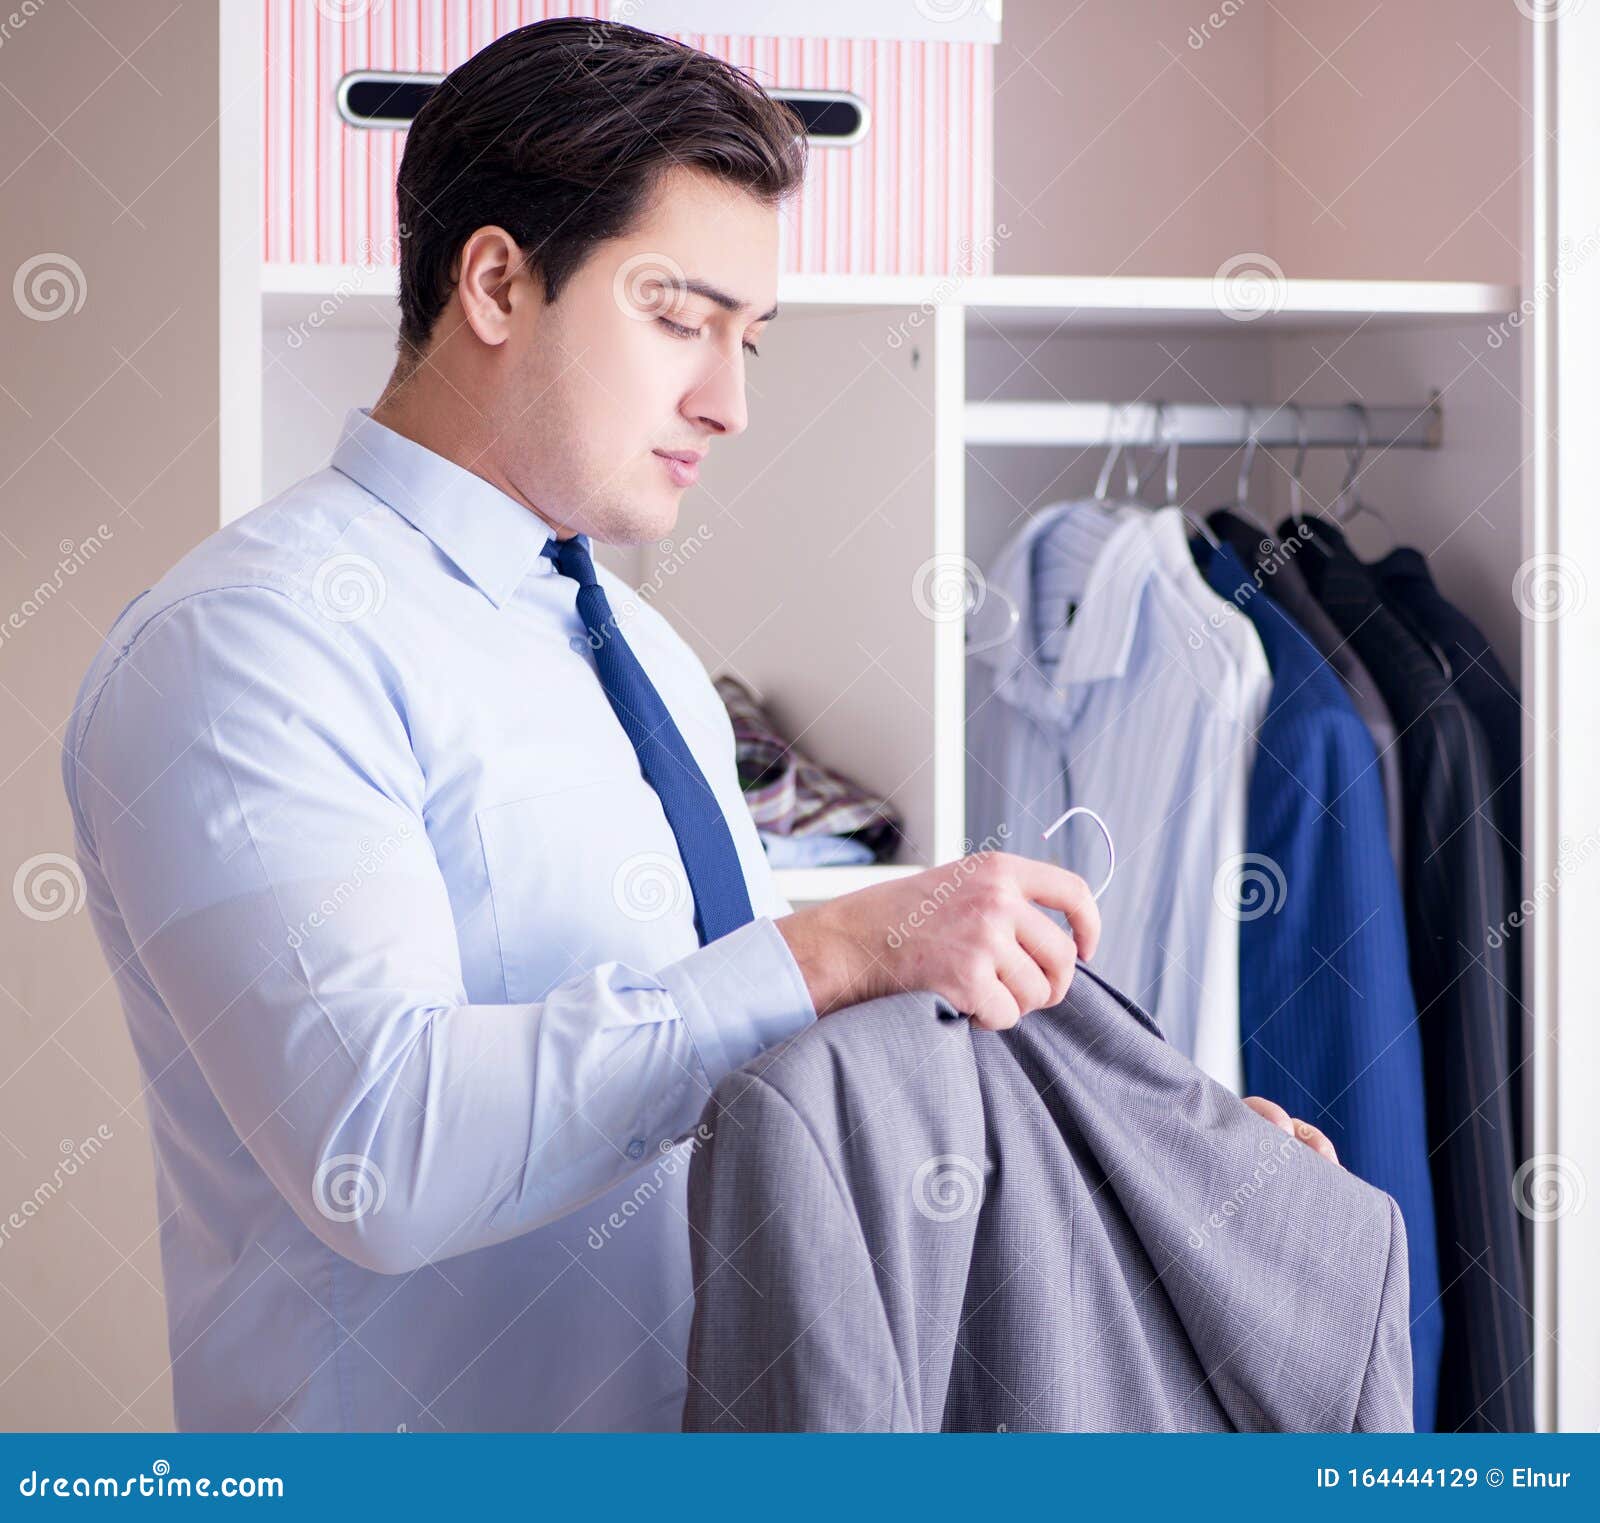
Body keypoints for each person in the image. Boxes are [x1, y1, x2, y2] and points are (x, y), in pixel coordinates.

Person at [60, 17, 1335, 1433]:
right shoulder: (250, 648)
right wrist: (838, 943)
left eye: (751, 338)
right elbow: (387, 1151)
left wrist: (1133, 1167)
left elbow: (759, 1091)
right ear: (496, 281)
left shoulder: (645, 656)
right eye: (677, 318)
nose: (729, 402)